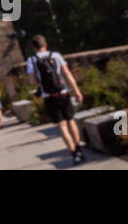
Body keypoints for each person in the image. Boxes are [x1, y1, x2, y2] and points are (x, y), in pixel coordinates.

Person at [25, 34, 86, 164]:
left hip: (49, 96)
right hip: (63, 93)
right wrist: (76, 90)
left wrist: (40, 81)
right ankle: (79, 150)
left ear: (33, 48)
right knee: (71, 122)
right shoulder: (56, 55)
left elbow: (31, 81)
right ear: (45, 44)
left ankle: (74, 154)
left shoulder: (32, 60)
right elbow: (67, 73)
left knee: (62, 125)